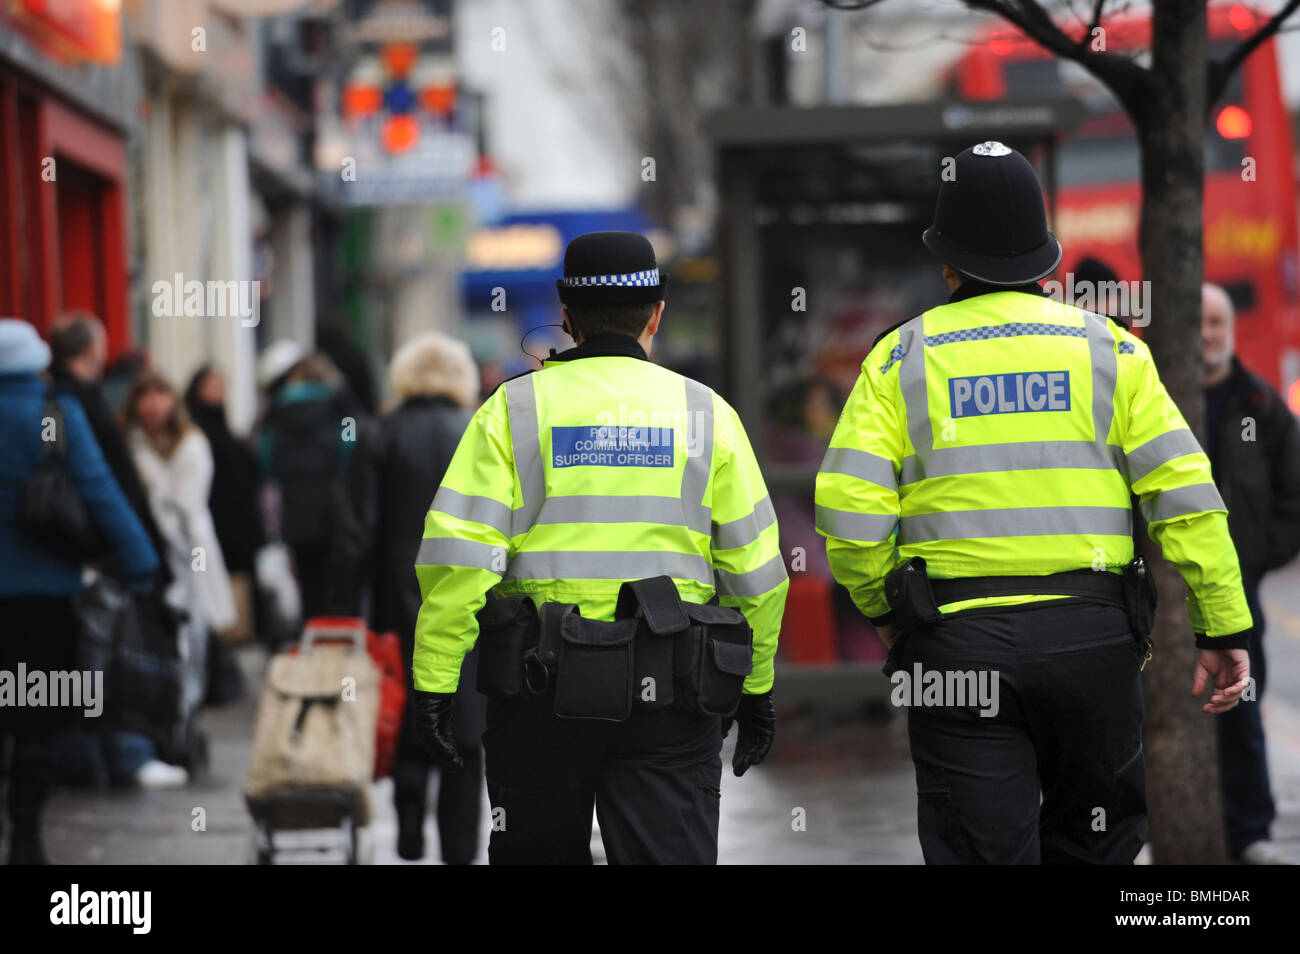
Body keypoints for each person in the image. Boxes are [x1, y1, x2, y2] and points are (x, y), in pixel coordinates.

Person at [815, 141, 1253, 864]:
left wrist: (889, 618)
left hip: (956, 647)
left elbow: (853, 516)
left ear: (947, 262)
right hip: (1094, 646)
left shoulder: (899, 359)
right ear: (1043, 257)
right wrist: (1222, 626)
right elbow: (1186, 498)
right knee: (1096, 845)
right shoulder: (1111, 351)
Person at [411, 231, 788, 864]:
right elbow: (757, 572)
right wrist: (756, 688)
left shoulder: (513, 411)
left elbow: (460, 559)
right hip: (673, 693)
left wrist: (435, 681)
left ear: (566, 318)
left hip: (538, 695)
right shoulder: (706, 414)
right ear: (657, 313)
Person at [0, 319, 158, 863]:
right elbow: (100, 490)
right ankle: (25, 838)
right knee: (36, 721)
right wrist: (141, 561)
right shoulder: (52, 417)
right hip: (46, 597)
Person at [327, 331, 486, 863]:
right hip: (470, 594)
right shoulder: (477, 432)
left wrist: (343, 611)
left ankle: (410, 828)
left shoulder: (378, 434)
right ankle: (460, 847)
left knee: (406, 708)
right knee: (465, 725)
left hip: (399, 594)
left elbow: (355, 534)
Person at [1202, 282, 1300, 864]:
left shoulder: (1262, 405)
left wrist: (1258, 557)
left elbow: (1295, 495)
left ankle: (1249, 831)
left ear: (1230, 330)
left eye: (1217, 322)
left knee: (1241, 707)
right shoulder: (1155, 398)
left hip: (1239, 590)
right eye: (1199, 322)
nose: (1208, 334)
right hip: (1164, 598)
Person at [122, 372, 238, 646]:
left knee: (195, 621)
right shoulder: (129, 444)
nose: (153, 405)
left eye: (160, 395)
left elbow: (186, 503)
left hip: (189, 544)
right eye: (145, 396)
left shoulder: (191, 444)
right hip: (144, 546)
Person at [259, 353, 358, 621]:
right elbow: (351, 444)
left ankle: (309, 633)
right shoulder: (340, 406)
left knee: (305, 577)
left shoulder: (277, 410)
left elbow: (266, 457)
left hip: (294, 506)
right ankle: (333, 637)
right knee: (334, 578)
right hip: (333, 506)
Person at [185, 365, 263, 642]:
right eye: (213, 384)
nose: (221, 390)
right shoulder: (196, 431)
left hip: (236, 528)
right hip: (216, 526)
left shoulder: (222, 427)